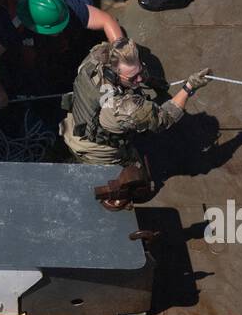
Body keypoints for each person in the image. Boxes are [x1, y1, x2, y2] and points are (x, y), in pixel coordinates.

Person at [60, 38, 211, 208]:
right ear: (114, 72)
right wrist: (189, 87)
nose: (139, 79)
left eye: (140, 71)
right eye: (133, 77)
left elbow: (132, 66)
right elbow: (164, 118)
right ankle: (116, 198)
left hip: (76, 121)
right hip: (95, 148)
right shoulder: (125, 107)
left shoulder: (97, 56)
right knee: (134, 172)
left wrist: (151, 80)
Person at [0, 0, 124, 110]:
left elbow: (107, 21)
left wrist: (122, 60)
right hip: (32, 49)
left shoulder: (66, 2)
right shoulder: (10, 24)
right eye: (54, 29)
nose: (58, 31)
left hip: (63, 39)